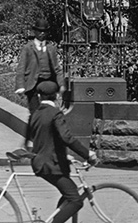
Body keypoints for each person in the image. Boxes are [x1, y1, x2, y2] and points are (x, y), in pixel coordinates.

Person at [25, 80, 98, 223]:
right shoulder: (55, 114)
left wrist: (65, 156)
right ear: (57, 96)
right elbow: (67, 137)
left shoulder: (36, 114)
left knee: (67, 196)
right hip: (50, 165)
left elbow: (44, 139)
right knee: (76, 201)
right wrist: (87, 154)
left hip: (41, 162)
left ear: (40, 97)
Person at [14, 12, 63, 114]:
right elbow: (21, 68)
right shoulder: (28, 48)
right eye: (39, 31)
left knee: (51, 112)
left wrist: (61, 84)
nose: (42, 34)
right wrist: (20, 86)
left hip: (49, 83)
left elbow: (57, 68)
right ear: (35, 32)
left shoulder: (51, 48)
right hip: (33, 84)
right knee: (35, 112)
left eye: (44, 31)